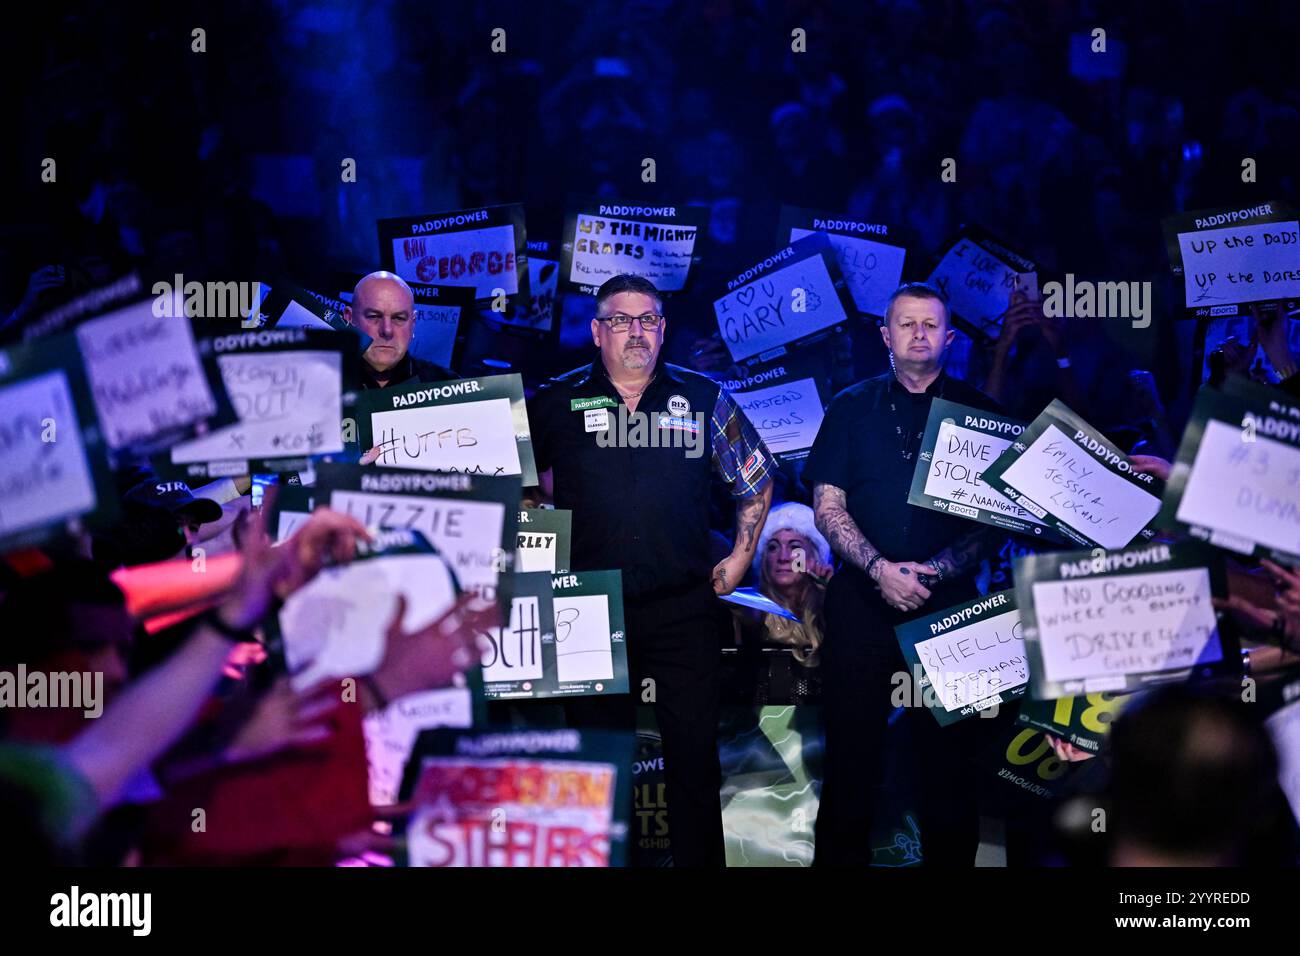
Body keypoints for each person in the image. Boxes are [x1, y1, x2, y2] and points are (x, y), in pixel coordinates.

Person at [526, 274, 773, 867]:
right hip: (584, 605)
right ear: (595, 331)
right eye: (620, 319)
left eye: (648, 320)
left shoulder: (705, 397)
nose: (635, 332)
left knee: (693, 761)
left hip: (682, 605)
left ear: (663, 330)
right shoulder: (554, 403)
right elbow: (515, 487)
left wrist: (740, 558)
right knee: (597, 766)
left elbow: (756, 477)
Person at [803, 281, 1009, 866]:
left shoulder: (984, 414)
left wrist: (937, 570)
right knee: (851, 765)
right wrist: (879, 569)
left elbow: (995, 523)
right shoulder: (848, 406)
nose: (919, 334)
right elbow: (827, 505)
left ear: (950, 336)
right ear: (885, 334)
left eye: (930, 325)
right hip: (861, 606)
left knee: (951, 770)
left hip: (954, 611)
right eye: (907, 324)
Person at [344, 271, 455, 389]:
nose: (387, 330)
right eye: (374, 316)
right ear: (349, 319)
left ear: (412, 324)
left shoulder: (449, 389)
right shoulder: (325, 384)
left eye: (398, 318)